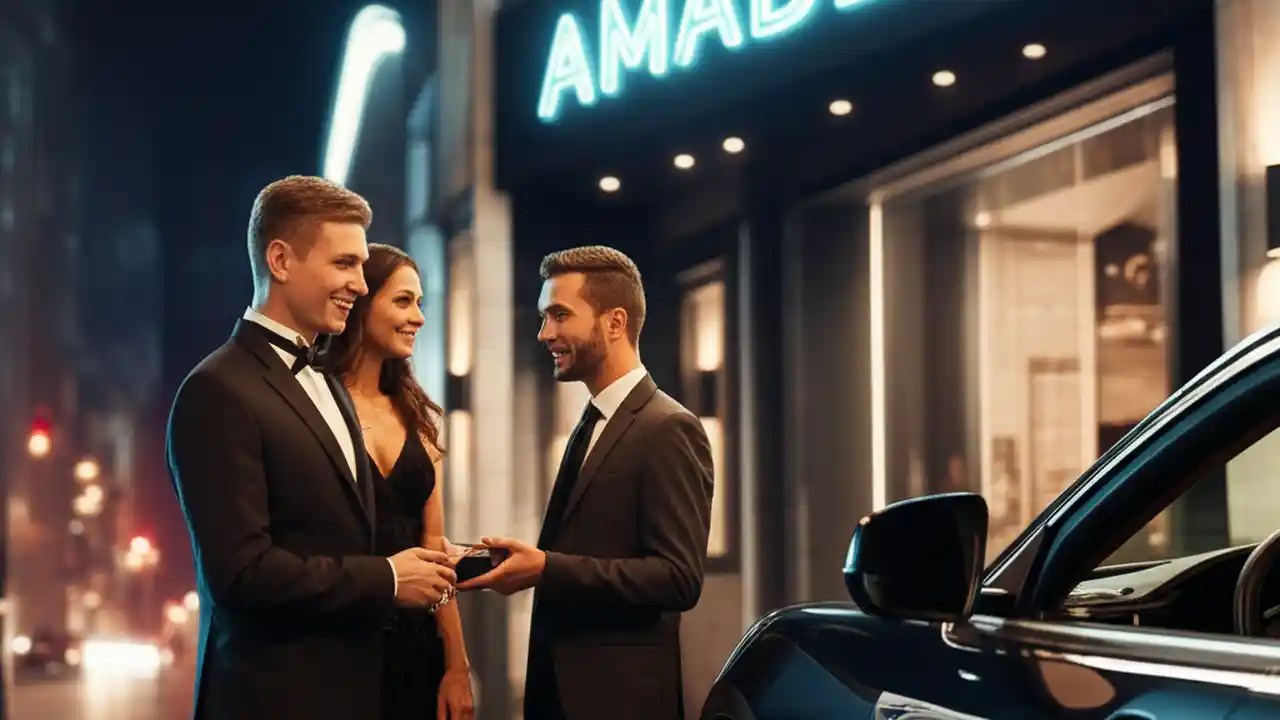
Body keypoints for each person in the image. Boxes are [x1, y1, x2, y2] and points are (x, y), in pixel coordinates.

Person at [166, 176, 458, 720]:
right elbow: (243, 575)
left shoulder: (327, 384)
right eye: (344, 264)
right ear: (280, 260)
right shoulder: (216, 390)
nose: (360, 284)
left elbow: (344, 534)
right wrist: (390, 578)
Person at [459, 245, 715, 720]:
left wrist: (545, 569)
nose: (544, 333)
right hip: (559, 692)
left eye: (559, 315)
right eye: (543, 317)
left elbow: (678, 578)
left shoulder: (668, 427)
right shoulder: (592, 419)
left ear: (614, 323)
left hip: (619, 702)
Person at [326, 243, 475, 720]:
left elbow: (434, 547)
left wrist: (456, 664)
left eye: (421, 303)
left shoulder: (419, 417)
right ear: (363, 302)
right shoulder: (314, 403)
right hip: (339, 639)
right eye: (404, 301)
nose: (419, 318)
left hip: (416, 647)